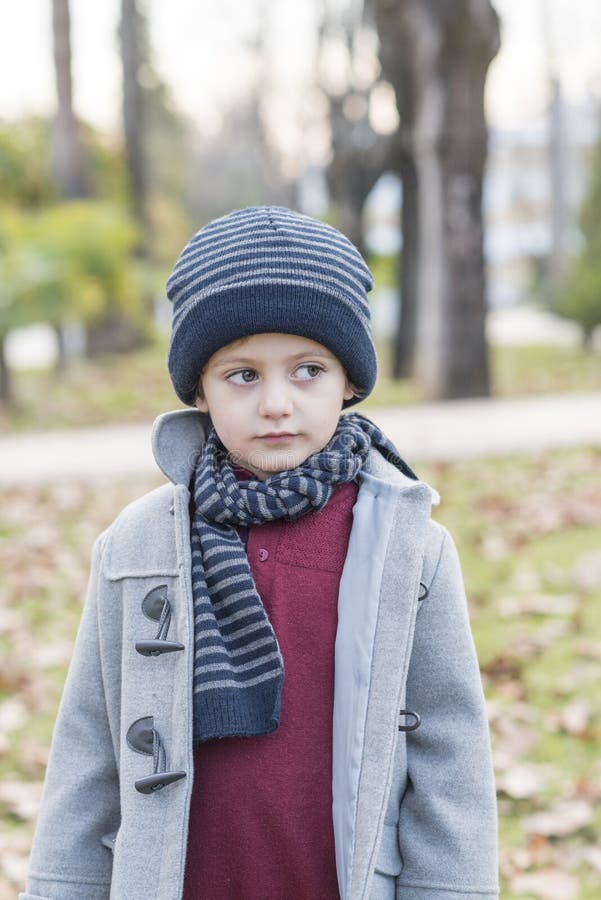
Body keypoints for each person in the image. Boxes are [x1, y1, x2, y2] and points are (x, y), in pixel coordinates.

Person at [20, 206, 499, 900]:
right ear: (198, 390)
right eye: (241, 375)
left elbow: (450, 753)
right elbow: (88, 749)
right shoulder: (137, 544)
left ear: (350, 381)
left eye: (307, 370)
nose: (276, 403)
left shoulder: (409, 546)